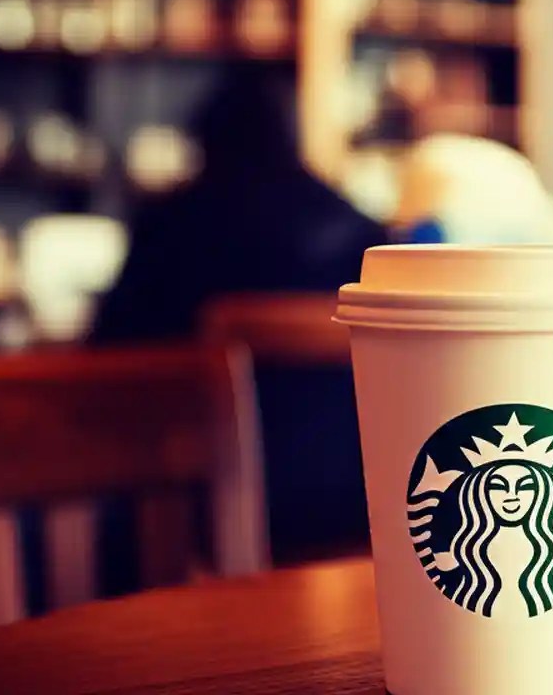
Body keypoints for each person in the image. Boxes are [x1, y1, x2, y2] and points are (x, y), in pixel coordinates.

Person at [90, 68, 389, 576]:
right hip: (360, 499)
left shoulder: (174, 226)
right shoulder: (360, 228)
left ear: (202, 142)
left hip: (211, 507)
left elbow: (108, 356)